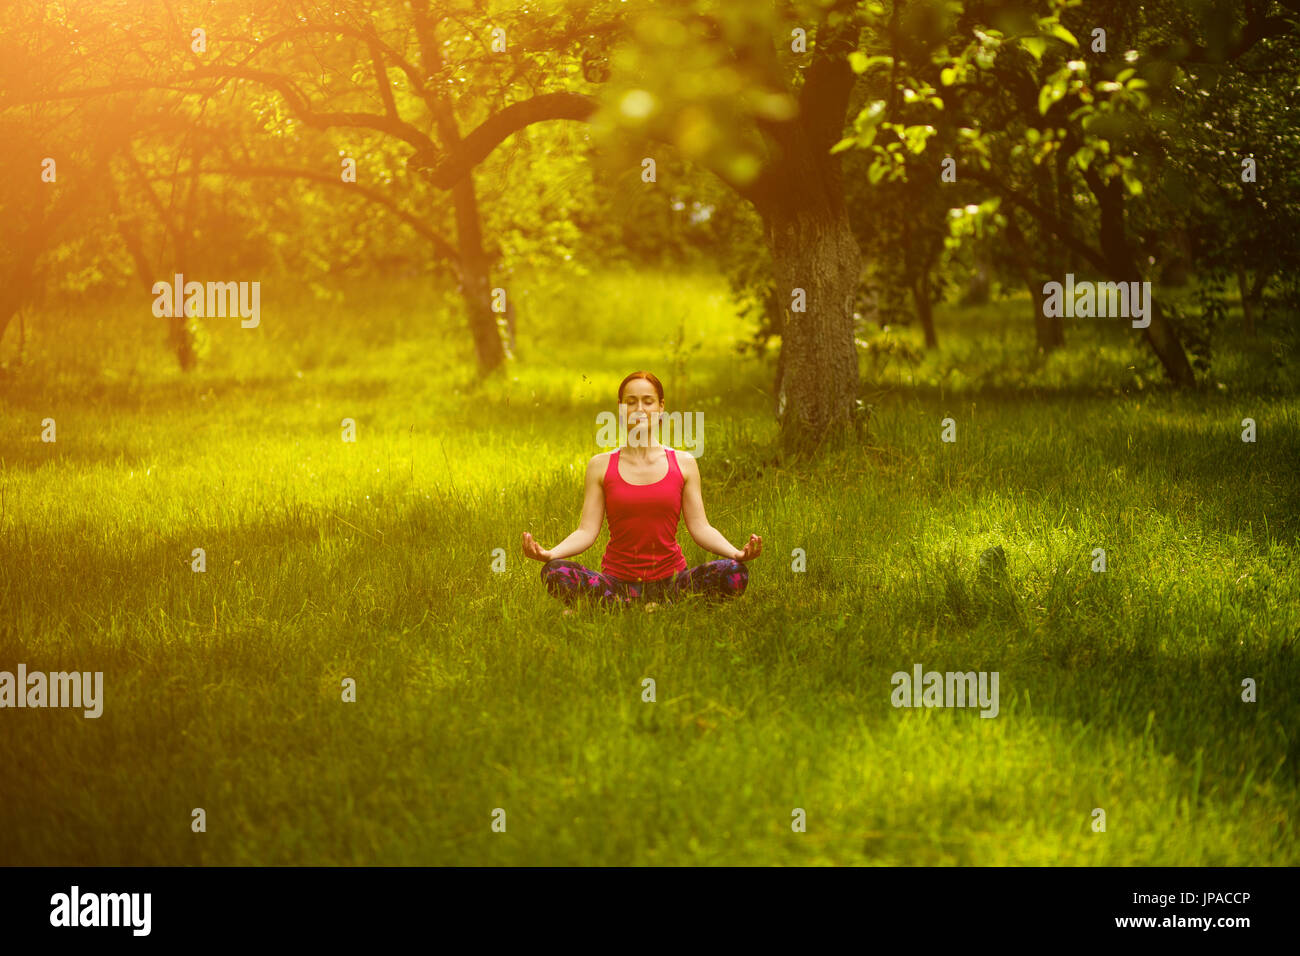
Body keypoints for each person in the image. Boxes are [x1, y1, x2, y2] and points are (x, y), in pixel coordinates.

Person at [522, 370, 762, 610]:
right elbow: (586, 531)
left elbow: (700, 527)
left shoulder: (684, 462)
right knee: (555, 572)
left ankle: (636, 606)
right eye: (631, 401)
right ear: (620, 408)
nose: (639, 408)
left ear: (660, 407)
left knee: (735, 572)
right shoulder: (600, 465)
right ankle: (639, 606)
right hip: (616, 582)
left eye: (648, 401)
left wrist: (735, 553)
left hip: (673, 581)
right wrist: (551, 553)